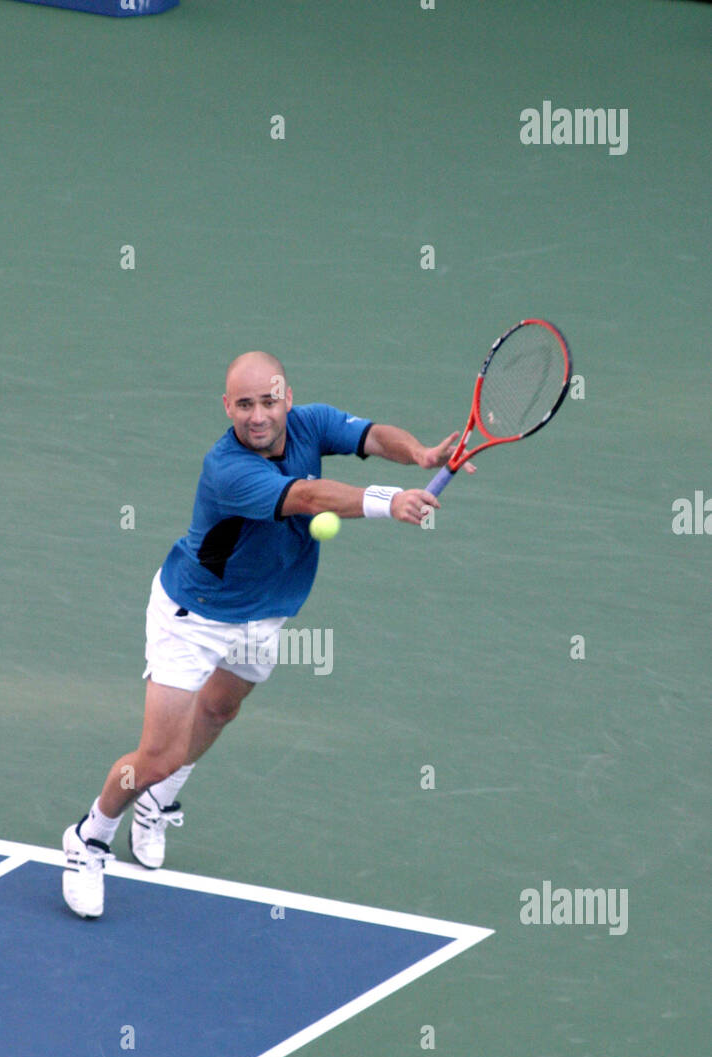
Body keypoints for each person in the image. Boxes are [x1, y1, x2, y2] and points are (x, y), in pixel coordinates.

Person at [62, 350, 472, 918]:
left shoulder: (311, 422)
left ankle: (158, 800)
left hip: (265, 610)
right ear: (227, 406)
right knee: (156, 754)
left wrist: (421, 454)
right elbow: (305, 497)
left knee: (222, 709)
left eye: (269, 401)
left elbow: (373, 437)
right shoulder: (226, 468)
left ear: (288, 397)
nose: (258, 416)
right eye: (245, 405)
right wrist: (390, 501)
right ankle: (89, 838)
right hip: (197, 616)